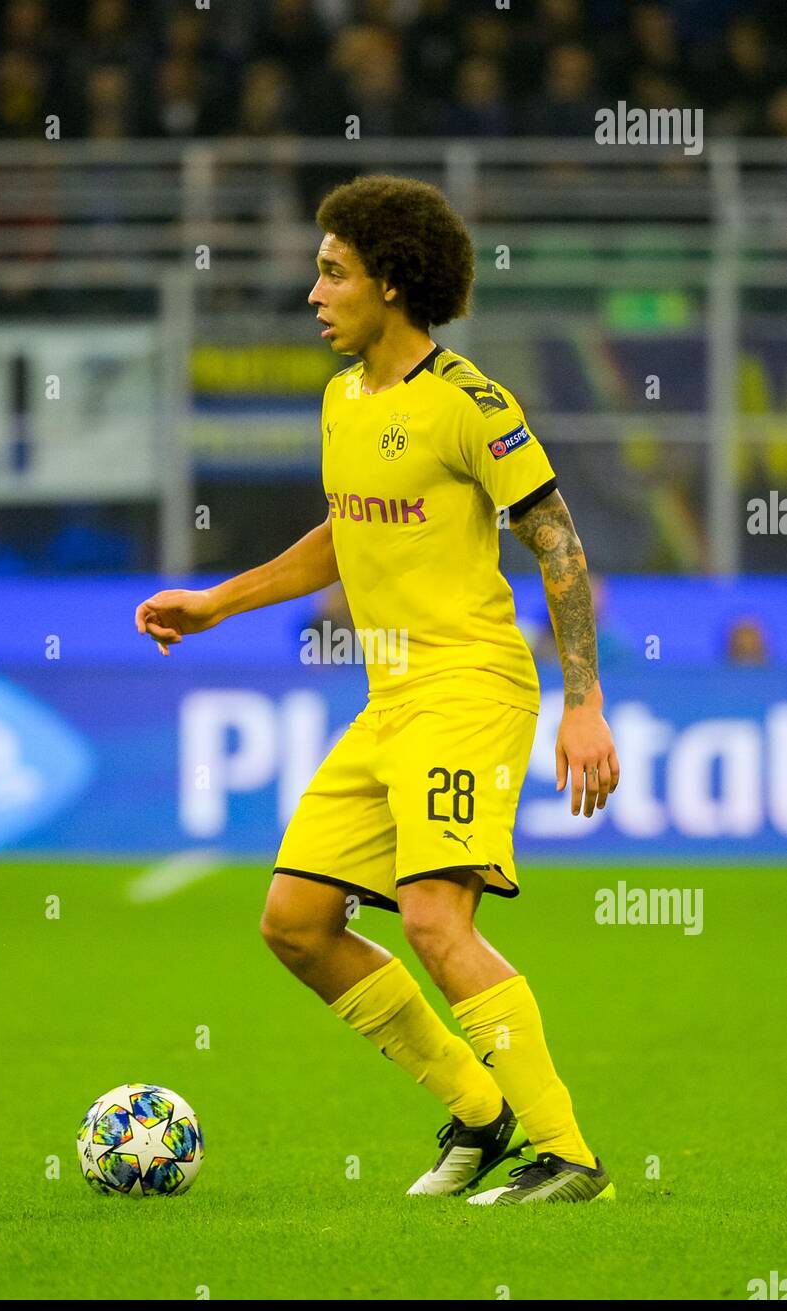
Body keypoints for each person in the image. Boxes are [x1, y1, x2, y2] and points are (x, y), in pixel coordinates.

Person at [136, 175, 620, 1207]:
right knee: (295, 921)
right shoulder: (341, 399)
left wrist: (583, 701)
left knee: (434, 919)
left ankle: (567, 1155)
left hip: (470, 684)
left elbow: (557, 540)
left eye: (332, 272)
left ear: (390, 283)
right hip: (390, 699)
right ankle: (479, 1113)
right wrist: (218, 602)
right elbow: (342, 536)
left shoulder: (469, 406)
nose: (312, 293)